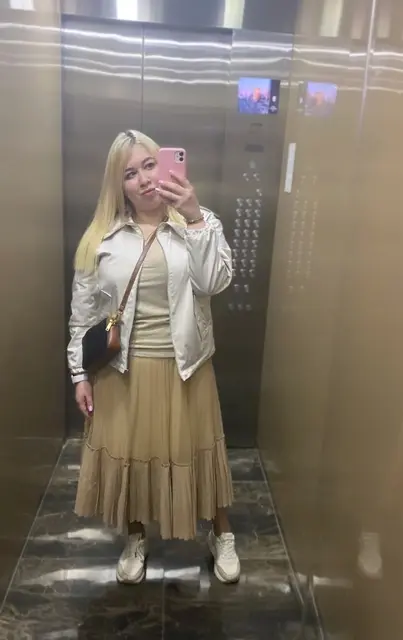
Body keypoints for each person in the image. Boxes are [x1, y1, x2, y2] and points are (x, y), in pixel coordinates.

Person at [67, 129, 240, 585]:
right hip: (122, 371)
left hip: (187, 368)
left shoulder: (198, 222)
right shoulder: (100, 237)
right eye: (130, 173)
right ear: (119, 185)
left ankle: (222, 532)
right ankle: (135, 536)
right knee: (131, 459)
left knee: (199, 453)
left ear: (165, 167)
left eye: (149, 166)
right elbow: (83, 314)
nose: (144, 180)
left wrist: (195, 218)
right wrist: (80, 374)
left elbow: (215, 282)